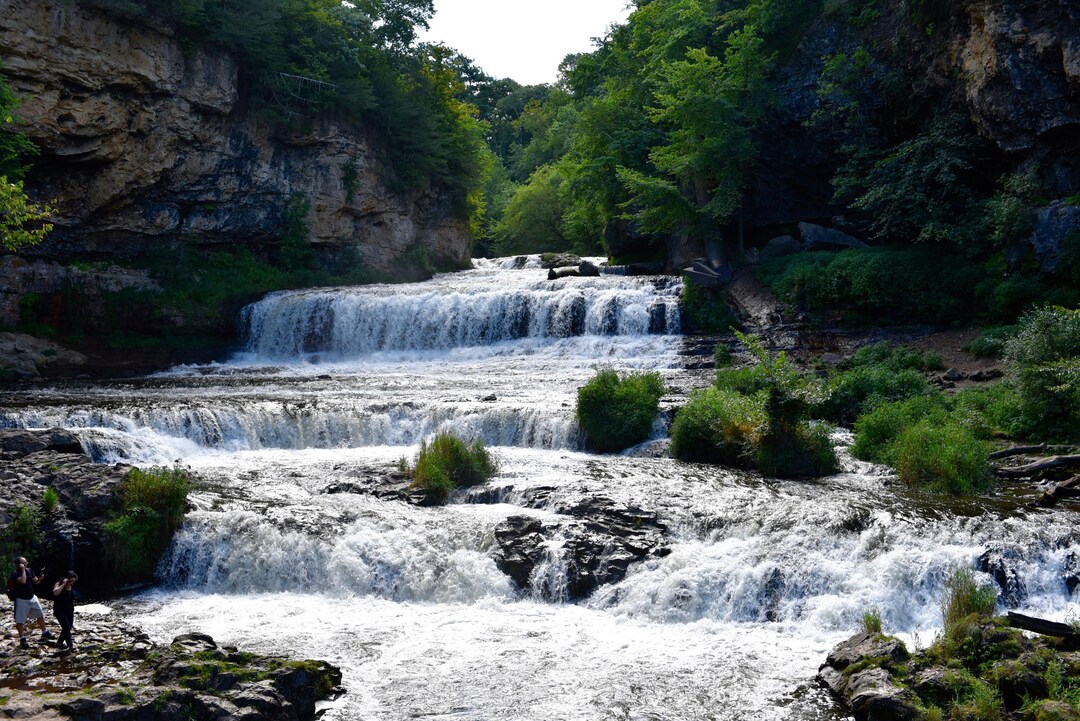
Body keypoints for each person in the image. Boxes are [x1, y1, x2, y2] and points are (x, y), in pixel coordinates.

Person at [9, 557, 53, 649]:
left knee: (40, 614)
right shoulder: (15, 574)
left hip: (32, 597)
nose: (26, 564)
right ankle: (22, 638)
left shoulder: (29, 570)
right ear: (18, 565)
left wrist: (40, 579)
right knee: (20, 620)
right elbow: (23, 581)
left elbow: (35, 581)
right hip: (21, 599)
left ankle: (44, 632)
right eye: (24, 563)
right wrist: (22, 570)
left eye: (26, 563)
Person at [52, 571, 77, 652]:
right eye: (70, 581)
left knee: (69, 626)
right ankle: (70, 645)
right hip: (60, 610)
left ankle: (59, 642)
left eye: (73, 580)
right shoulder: (59, 583)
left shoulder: (71, 585)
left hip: (69, 610)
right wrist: (63, 584)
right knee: (66, 627)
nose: (71, 582)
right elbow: (55, 593)